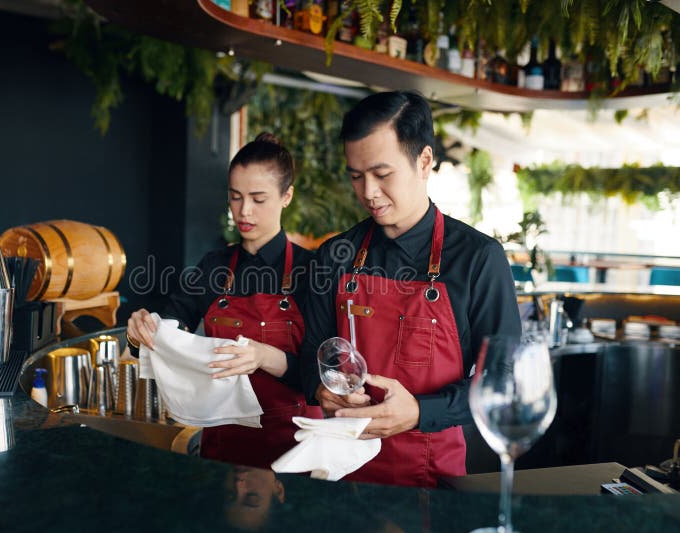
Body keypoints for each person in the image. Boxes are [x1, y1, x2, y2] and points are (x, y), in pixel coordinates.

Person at [300, 91, 521, 487]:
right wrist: (320, 388)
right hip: (339, 474)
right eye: (356, 175)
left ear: (424, 161)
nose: (368, 192)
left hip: (432, 483)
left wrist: (421, 411)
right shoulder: (334, 255)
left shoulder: (478, 259)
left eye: (382, 174)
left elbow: (501, 381)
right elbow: (309, 354)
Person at [126, 132, 322, 469]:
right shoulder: (214, 266)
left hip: (294, 448)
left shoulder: (313, 270)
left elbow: (320, 376)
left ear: (286, 196)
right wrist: (140, 332)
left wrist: (263, 356)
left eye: (258, 199)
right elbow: (170, 325)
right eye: (235, 197)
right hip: (223, 446)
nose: (244, 211)